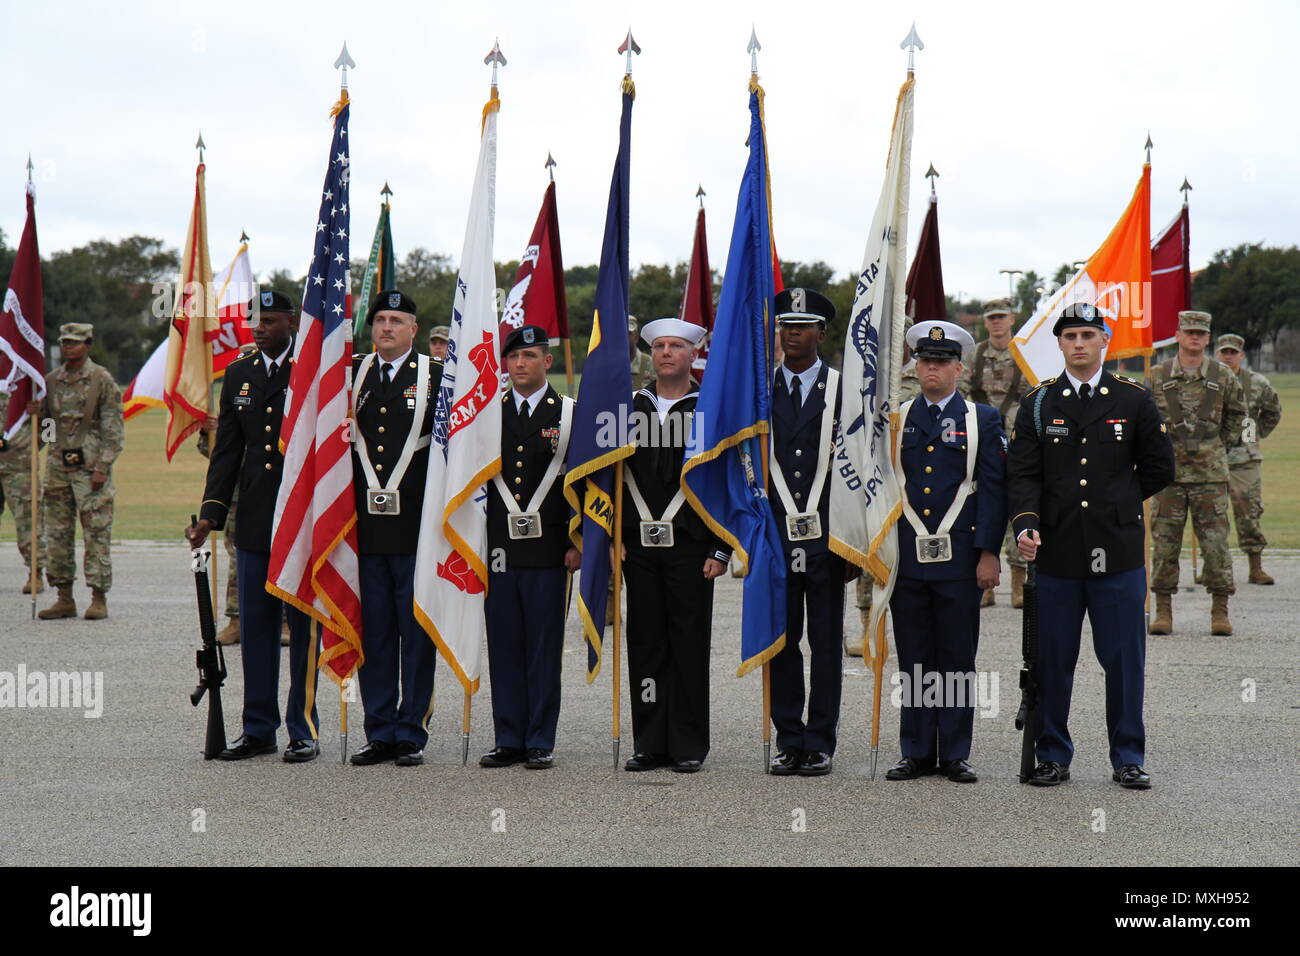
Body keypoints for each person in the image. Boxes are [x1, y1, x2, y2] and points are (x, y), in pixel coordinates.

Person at [1009, 302, 1175, 789]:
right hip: (1057, 552)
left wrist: (1119, 503)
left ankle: (1127, 756)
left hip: (1118, 553)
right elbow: (1023, 473)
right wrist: (1025, 524)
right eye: (1069, 336)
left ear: (1105, 340)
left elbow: (1160, 467)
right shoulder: (1038, 403)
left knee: (1124, 661)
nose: (1078, 343)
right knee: (1052, 662)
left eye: (1087, 334)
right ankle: (1052, 755)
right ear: (1058, 344)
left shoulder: (1133, 399)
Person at [186, 290, 320, 763]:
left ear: (291, 322)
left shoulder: (312, 370)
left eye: (269, 319)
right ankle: (258, 728)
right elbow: (227, 453)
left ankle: (303, 729)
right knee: (258, 628)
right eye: (253, 320)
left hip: (303, 521)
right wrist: (211, 513)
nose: (259, 327)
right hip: (256, 523)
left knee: (302, 630)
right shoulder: (240, 374)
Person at [884, 319, 1006, 784]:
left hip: (959, 557)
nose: (930, 368)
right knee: (914, 655)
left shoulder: (983, 419)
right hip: (907, 556)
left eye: (940, 362)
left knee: (955, 656)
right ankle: (915, 750)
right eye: (924, 360)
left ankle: (954, 751)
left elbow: (993, 490)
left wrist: (988, 553)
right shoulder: (896, 418)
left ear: (959, 368)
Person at [622, 317, 729, 773]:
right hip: (638, 547)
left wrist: (721, 548)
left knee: (687, 644)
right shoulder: (628, 408)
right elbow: (608, 479)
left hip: (691, 548)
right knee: (645, 642)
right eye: (660, 346)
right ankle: (649, 741)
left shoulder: (711, 409)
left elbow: (727, 483)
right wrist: (609, 539)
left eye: (676, 346)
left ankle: (687, 743)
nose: (667, 352)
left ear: (693, 354)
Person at [479, 324, 580, 770]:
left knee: (543, 645)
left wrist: (577, 542)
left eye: (530, 357)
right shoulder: (485, 415)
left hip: (549, 549)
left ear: (547, 362)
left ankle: (539, 738)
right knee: (503, 644)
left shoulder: (570, 414)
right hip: (497, 548)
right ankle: (508, 737)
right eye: (514, 358)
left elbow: (582, 484)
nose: (520, 365)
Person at [347, 290, 440, 767]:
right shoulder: (352, 377)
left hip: (416, 529)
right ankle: (379, 729)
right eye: (380, 319)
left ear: (413, 330)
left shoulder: (437, 377)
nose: (385, 327)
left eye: (396, 321)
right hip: (364, 529)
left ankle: (412, 731)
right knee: (375, 633)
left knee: (415, 633)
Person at [767, 289, 855, 777]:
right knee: (781, 641)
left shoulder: (845, 390)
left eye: (802, 326)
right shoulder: (760, 392)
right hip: (778, 537)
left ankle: (820, 740)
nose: (792, 333)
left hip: (827, 538)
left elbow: (859, 470)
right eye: (785, 325)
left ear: (822, 333)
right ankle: (788, 738)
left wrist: (852, 543)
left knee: (824, 642)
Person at [1147, 311, 1247, 636]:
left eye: (1201, 333)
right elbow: (1145, 419)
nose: (1195, 337)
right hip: (1168, 476)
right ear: (1177, 334)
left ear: (1208, 338)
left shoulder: (1223, 375)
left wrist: (1218, 445)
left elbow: (1237, 414)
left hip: (1210, 475)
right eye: (1189, 331)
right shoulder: (1158, 375)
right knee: (1164, 545)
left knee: (1216, 545)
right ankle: (1163, 609)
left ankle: (1220, 609)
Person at [37, 323, 123, 621]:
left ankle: (98, 597)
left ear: (88, 344)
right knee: (57, 534)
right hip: (58, 468)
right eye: (64, 342)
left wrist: (103, 466)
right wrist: (34, 420)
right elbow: (46, 429)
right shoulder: (50, 381)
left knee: (96, 535)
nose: (68, 347)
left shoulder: (102, 380)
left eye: (75, 342)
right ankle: (63, 596)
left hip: (90, 469)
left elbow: (114, 428)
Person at [959, 298, 1030, 608]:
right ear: (986, 322)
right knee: (983, 507)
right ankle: (985, 583)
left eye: (1001, 317)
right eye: (991, 318)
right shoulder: (975, 355)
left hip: (1018, 440)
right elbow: (960, 390)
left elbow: (1038, 394)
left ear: (1012, 318)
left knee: (1018, 505)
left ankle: (1018, 582)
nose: (997, 322)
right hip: (983, 440)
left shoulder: (1024, 355)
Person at [850, 355, 920, 656]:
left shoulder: (920, 376)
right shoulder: (863, 377)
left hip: (911, 480)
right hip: (873, 479)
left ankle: (907, 631)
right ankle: (870, 630)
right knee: (870, 555)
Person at [1214, 334, 1282, 585]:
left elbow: (1273, 410)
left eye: (1233, 352)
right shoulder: (1207, 381)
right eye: (1224, 352)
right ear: (1216, 354)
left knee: (1248, 511)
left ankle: (1255, 566)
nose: (1228, 356)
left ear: (1241, 355)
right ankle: (1213, 568)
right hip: (1212, 458)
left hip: (1245, 459)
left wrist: (1255, 433)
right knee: (1210, 517)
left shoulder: (1256, 383)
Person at [0, 390, 45, 592]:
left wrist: (40, 443)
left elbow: (50, 422)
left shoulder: (27, 378)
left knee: (28, 520)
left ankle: (35, 573)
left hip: (19, 465)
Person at [627, 315, 654, 391]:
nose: (623, 337)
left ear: (636, 338)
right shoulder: (607, 366)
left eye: (628, 333)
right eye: (620, 333)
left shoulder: (652, 364)